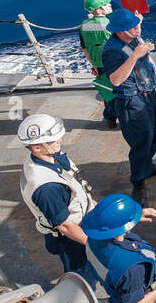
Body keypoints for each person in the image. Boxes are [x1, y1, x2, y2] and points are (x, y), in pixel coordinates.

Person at [16, 113, 99, 286]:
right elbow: (65, 226)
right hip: (70, 236)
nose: (60, 140)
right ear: (36, 147)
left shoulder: (49, 155)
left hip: (79, 221)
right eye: (54, 139)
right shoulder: (46, 188)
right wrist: (92, 245)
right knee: (80, 271)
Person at [100, 7, 156, 201]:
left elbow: (147, 59)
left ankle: (148, 165)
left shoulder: (135, 38)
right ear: (120, 31)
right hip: (132, 100)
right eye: (133, 27)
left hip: (148, 94)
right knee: (140, 141)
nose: (138, 28)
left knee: (152, 134)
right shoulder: (111, 51)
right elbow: (115, 80)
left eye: (137, 25)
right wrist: (134, 55)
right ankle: (138, 182)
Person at [79, 0, 118, 128]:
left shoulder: (84, 25)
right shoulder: (111, 24)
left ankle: (109, 119)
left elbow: (85, 49)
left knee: (108, 93)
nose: (110, 4)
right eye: (106, 4)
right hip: (115, 65)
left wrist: (94, 65)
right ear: (99, 9)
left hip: (99, 65)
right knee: (121, 92)